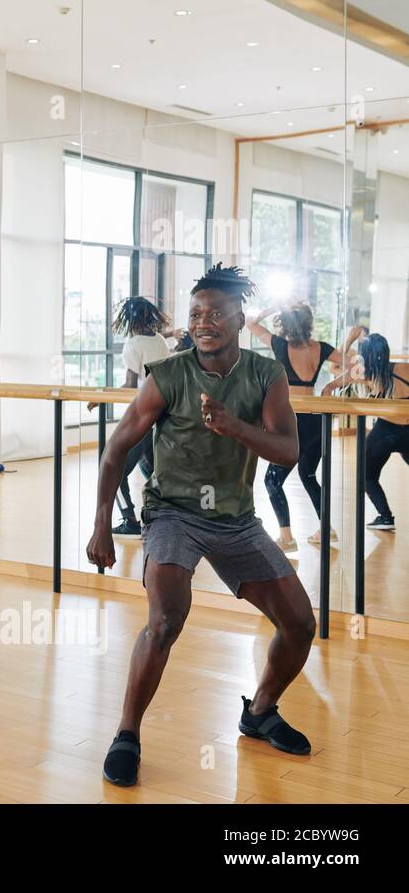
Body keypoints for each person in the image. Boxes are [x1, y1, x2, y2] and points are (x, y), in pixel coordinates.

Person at [89, 264, 315, 788]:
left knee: (300, 623)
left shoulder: (266, 374)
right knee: (166, 618)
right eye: (195, 313)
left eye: (215, 313)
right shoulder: (168, 375)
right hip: (173, 513)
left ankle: (259, 712)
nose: (203, 321)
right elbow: (117, 449)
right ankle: (127, 734)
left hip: (236, 520)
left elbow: (289, 449)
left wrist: (237, 427)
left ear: (240, 319)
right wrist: (103, 523)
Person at [247, 303, 342, 549]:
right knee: (308, 475)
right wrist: (333, 386)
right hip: (317, 419)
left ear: (286, 324)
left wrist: (272, 307)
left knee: (272, 480)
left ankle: (287, 538)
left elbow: (250, 323)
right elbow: (356, 365)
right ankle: (326, 529)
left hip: (293, 420)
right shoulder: (321, 348)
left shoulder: (281, 345)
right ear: (309, 323)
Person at [92, 297, 172, 539]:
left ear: (129, 320)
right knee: (153, 469)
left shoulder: (133, 344)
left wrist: (103, 395)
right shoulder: (159, 340)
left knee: (111, 467)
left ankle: (129, 519)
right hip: (164, 414)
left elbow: (129, 386)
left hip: (144, 416)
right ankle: (167, 513)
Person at [323, 331, 409, 531]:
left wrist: (350, 339)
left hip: (385, 432)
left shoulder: (364, 373)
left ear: (365, 354)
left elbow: (334, 368)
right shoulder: (404, 368)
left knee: (366, 476)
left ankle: (386, 517)